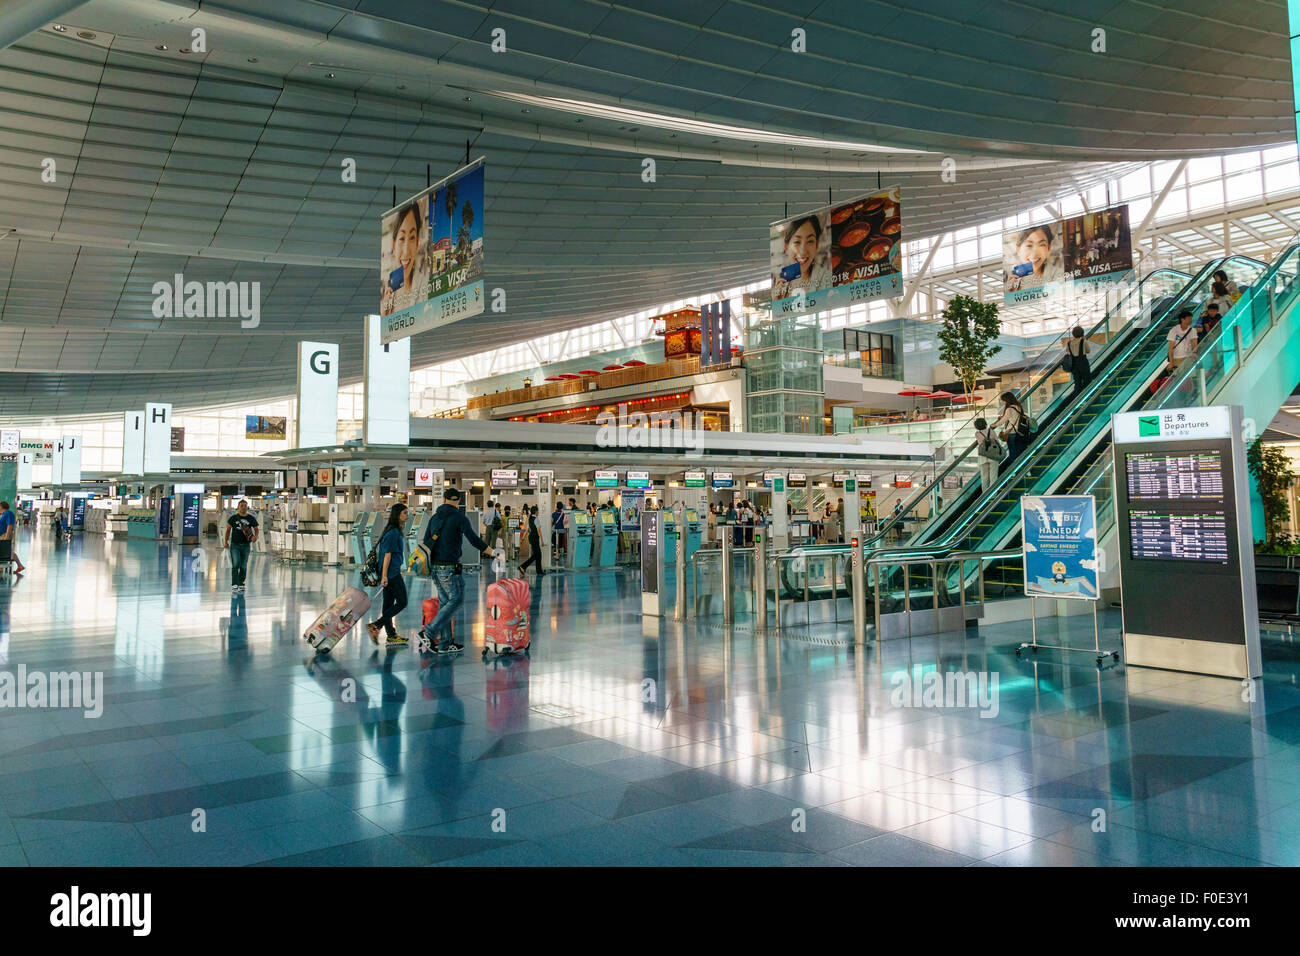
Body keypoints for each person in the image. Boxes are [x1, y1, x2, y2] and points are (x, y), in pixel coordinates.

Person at [418, 487, 496, 654]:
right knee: (457, 600)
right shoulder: (460, 517)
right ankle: (429, 632)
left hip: (435, 567)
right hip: (450, 567)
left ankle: (445, 644)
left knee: (445, 603)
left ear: (444, 499)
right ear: (458, 500)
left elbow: (426, 541)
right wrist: (492, 552)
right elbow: (474, 539)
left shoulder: (434, 518)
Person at [366, 503, 411, 646]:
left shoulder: (393, 530)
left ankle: (391, 635)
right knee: (402, 602)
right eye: (404, 513)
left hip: (392, 571)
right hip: (390, 573)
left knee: (388, 604)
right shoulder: (393, 533)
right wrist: (385, 575)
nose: (407, 515)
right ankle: (376, 625)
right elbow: (387, 555)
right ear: (397, 515)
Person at [379, 200, 427, 316]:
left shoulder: (424, 286)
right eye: (401, 238)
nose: (406, 251)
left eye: (411, 238)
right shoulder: (389, 292)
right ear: (393, 245)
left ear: (416, 244)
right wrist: (385, 315)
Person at [771, 215, 832, 300]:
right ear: (786, 247)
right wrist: (777, 302)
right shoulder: (782, 281)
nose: (803, 251)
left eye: (810, 241)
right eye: (797, 242)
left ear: (816, 245)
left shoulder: (827, 279)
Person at [223, 499, 259, 593]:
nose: (243, 508)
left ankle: (241, 583)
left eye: (245, 506)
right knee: (236, 564)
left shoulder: (251, 518)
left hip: (246, 545)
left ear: (247, 507)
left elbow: (256, 528)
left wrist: (255, 536)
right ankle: (234, 584)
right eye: (241, 506)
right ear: (238, 507)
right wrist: (226, 541)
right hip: (235, 545)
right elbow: (228, 530)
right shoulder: (233, 518)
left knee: (243, 565)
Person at [993, 391, 1030, 467]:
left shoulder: (1009, 409)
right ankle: (1026, 469)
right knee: (1021, 452)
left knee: (1013, 453)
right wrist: (1003, 417)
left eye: (1004, 400)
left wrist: (995, 424)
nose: (1003, 402)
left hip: (1012, 433)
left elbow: (1003, 420)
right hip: (1020, 432)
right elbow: (1013, 417)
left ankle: (1013, 471)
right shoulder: (1018, 407)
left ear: (1007, 400)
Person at [973, 418, 1004, 493]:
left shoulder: (977, 434)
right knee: (993, 477)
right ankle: (993, 494)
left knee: (984, 477)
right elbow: (997, 441)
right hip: (993, 456)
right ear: (985, 424)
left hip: (983, 457)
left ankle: (985, 495)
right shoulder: (991, 431)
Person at [1064, 325, 1091, 396]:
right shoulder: (1083, 341)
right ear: (1082, 333)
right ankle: (1087, 395)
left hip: (1074, 364)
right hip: (1083, 363)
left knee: (1077, 382)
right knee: (1087, 380)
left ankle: (1078, 397)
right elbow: (1088, 351)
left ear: (1073, 334)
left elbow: (1067, 351)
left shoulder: (1069, 343)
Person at [0, 501, 25, 574]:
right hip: (3, 534)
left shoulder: (8, 513)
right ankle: (20, 566)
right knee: (7, 552)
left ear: (1, 506)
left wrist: (7, 536)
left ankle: (2, 568)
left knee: (4, 551)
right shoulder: (4, 514)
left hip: (4, 535)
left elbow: (9, 525)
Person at [519, 505, 544, 576]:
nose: (538, 512)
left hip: (531, 538)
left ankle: (538, 571)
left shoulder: (530, 518)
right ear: (536, 511)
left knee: (537, 555)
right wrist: (542, 541)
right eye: (538, 511)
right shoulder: (536, 519)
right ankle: (523, 566)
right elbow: (539, 531)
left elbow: (527, 529)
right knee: (537, 555)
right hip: (535, 538)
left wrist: (523, 538)